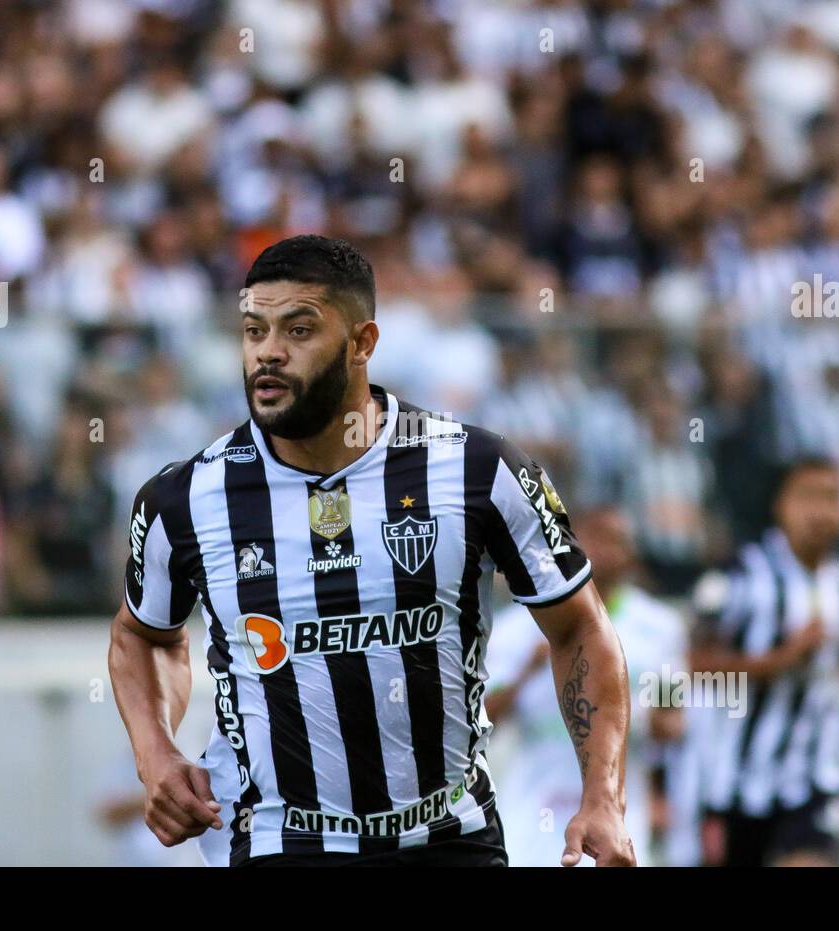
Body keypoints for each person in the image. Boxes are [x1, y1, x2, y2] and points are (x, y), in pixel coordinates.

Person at [107, 235, 635, 867]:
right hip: (282, 842)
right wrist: (156, 753)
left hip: (450, 837)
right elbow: (143, 635)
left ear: (362, 343)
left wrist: (602, 798)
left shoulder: (477, 468)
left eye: (299, 330)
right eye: (253, 331)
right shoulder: (185, 498)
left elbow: (579, 628)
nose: (268, 352)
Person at [691, 455, 839, 866]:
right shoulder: (738, 574)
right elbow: (694, 666)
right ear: (781, 505)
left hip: (817, 776)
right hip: (739, 780)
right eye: (808, 496)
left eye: (832, 497)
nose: (821, 511)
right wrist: (779, 660)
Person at [486, 506, 684, 866]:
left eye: (618, 541)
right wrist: (528, 670)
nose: (607, 550)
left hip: (621, 813)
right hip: (533, 812)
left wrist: (622, 710)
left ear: (632, 554)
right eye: (596, 537)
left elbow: (672, 724)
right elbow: (484, 718)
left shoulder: (662, 629)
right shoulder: (514, 628)